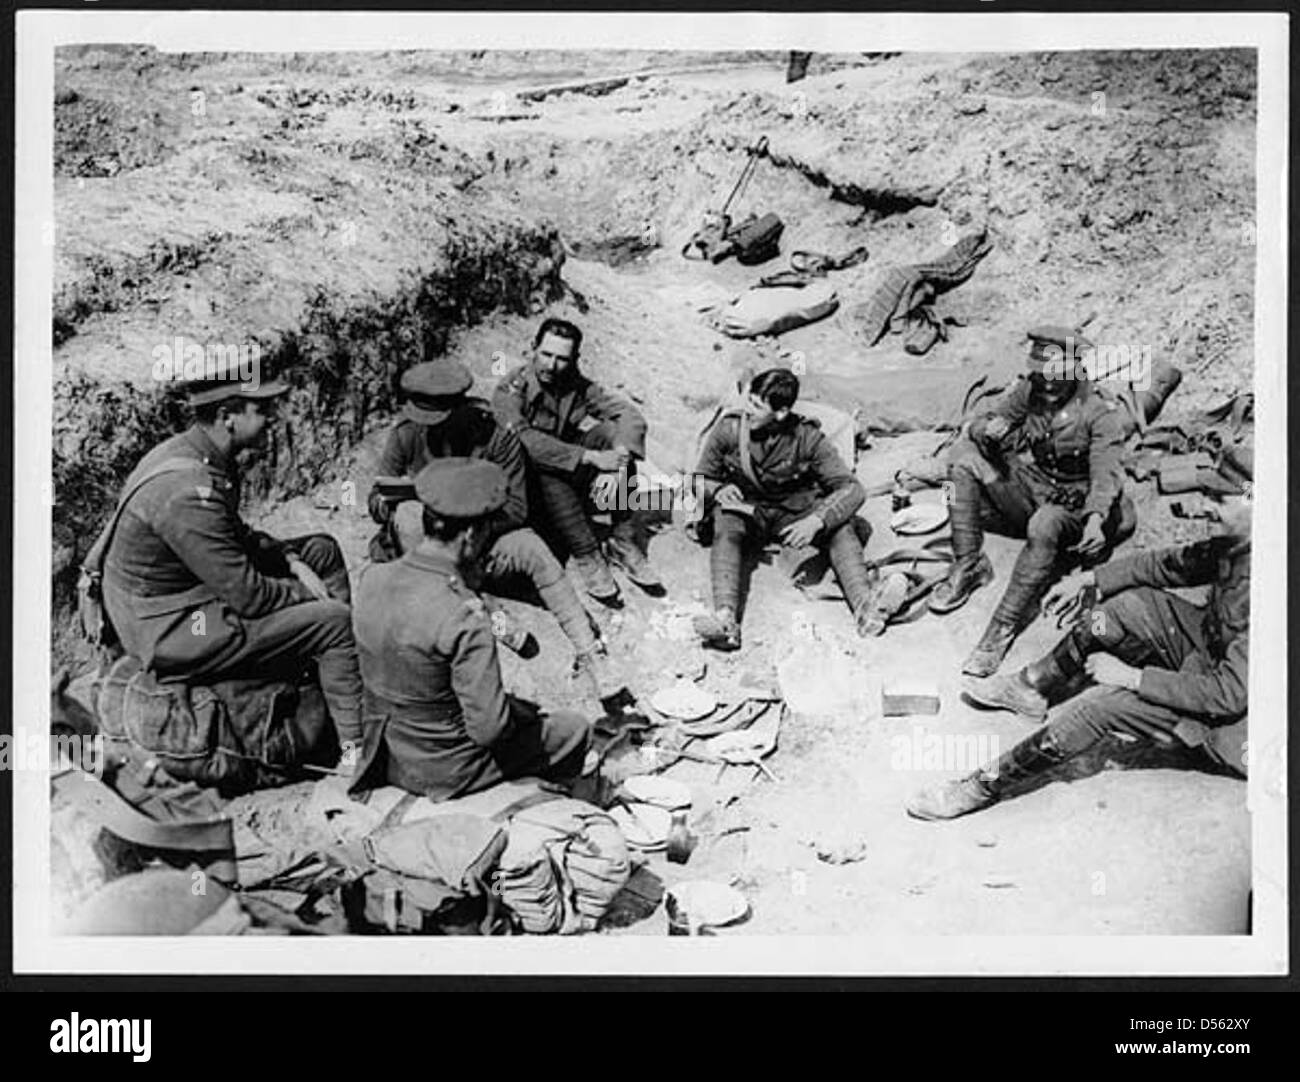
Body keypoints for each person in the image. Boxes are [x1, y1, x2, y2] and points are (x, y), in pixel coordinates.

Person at [907, 492, 1250, 821]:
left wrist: (1131, 678)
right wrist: (1090, 579)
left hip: (1228, 723)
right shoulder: (1240, 544)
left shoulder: (1273, 585)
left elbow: (1227, 695)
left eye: (1219, 499)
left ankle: (983, 785)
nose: (1205, 506)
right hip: (1206, 655)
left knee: (1099, 709)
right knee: (1118, 609)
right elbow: (1166, 565)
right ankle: (1032, 687)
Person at [100, 365, 363, 755]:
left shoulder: (195, 454)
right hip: (177, 630)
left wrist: (292, 560)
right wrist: (313, 598)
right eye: (261, 409)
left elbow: (232, 534)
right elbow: (249, 597)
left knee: (319, 551)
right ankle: (354, 748)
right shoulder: (188, 492)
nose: (272, 417)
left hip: (184, 596)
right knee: (335, 622)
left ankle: (329, 676)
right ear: (227, 416)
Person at [367, 360, 619, 700]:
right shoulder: (407, 433)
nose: (429, 427)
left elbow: (516, 508)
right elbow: (379, 492)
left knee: (535, 550)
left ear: (460, 407)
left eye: (438, 419)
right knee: (408, 514)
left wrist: (474, 528)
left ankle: (591, 651)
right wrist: (384, 502)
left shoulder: (498, 438)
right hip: (434, 546)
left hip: (486, 539)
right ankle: (494, 616)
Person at [350, 458, 593, 800]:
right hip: (446, 770)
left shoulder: (372, 578)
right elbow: (488, 731)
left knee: (515, 710)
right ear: (469, 535)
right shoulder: (467, 615)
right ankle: (554, 797)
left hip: (385, 754)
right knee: (572, 729)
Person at [929, 324, 1133, 676]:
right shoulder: (1031, 388)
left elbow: (1105, 475)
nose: (1048, 383)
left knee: (1045, 523)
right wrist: (988, 430)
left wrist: (1097, 519)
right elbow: (988, 418)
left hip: (1079, 507)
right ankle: (968, 565)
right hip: (1036, 486)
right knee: (961, 459)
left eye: (1057, 374)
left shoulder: (1101, 410)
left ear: (1074, 368)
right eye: (1043, 373)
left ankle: (1002, 628)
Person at [690, 367, 874, 650]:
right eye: (749, 400)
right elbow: (699, 478)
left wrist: (816, 521)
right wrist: (717, 489)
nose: (747, 410)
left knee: (843, 527)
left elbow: (851, 488)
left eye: (756, 406)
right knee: (724, 522)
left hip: (796, 511)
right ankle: (726, 620)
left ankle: (866, 607)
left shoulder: (808, 437)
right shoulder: (729, 428)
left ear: (781, 412)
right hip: (749, 510)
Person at [492, 316, 660, 603]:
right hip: (524, 489)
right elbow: (527, 442)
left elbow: (629, 416)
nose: (551, 365)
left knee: (612, 433)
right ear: (533, 348)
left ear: (573, 359)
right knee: (547, 464)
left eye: (561, 359)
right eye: (545, 354)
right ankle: (587, 553)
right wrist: (591, 458)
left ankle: (623, 541)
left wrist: (618, 459)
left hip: (565, 474)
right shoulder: (511, 388)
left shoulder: (576, 385)